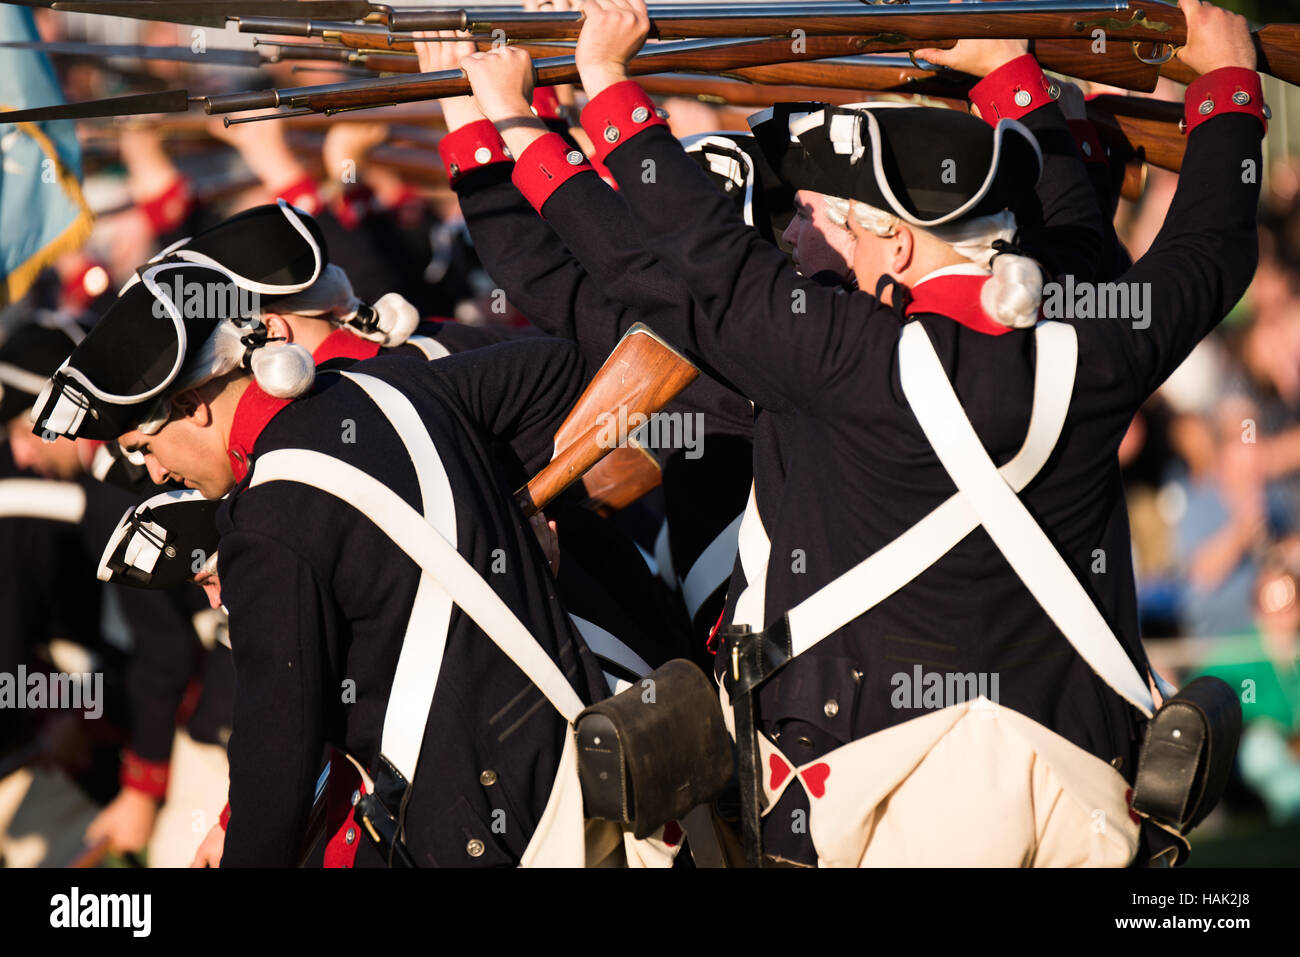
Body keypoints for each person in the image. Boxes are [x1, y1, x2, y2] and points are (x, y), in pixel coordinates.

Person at [456, 0, 1266, 866]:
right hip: (1079, 813)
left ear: (899, 242)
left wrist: (570, 101)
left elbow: (679, 267)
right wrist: (1222, 86)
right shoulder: (1094, 344)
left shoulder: (838, 354)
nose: (814, 242)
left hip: (866, 813)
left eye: (832, 219)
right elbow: (1198, 248)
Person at [30, 229, 629, 865]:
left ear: (189, 405)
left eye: (144, 447)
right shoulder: (389, 382)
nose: (153, 475)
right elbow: (557, 367)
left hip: (487, 827)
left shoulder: (263, 523)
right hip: (585, 752)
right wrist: (506, 509)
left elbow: (277, 749)